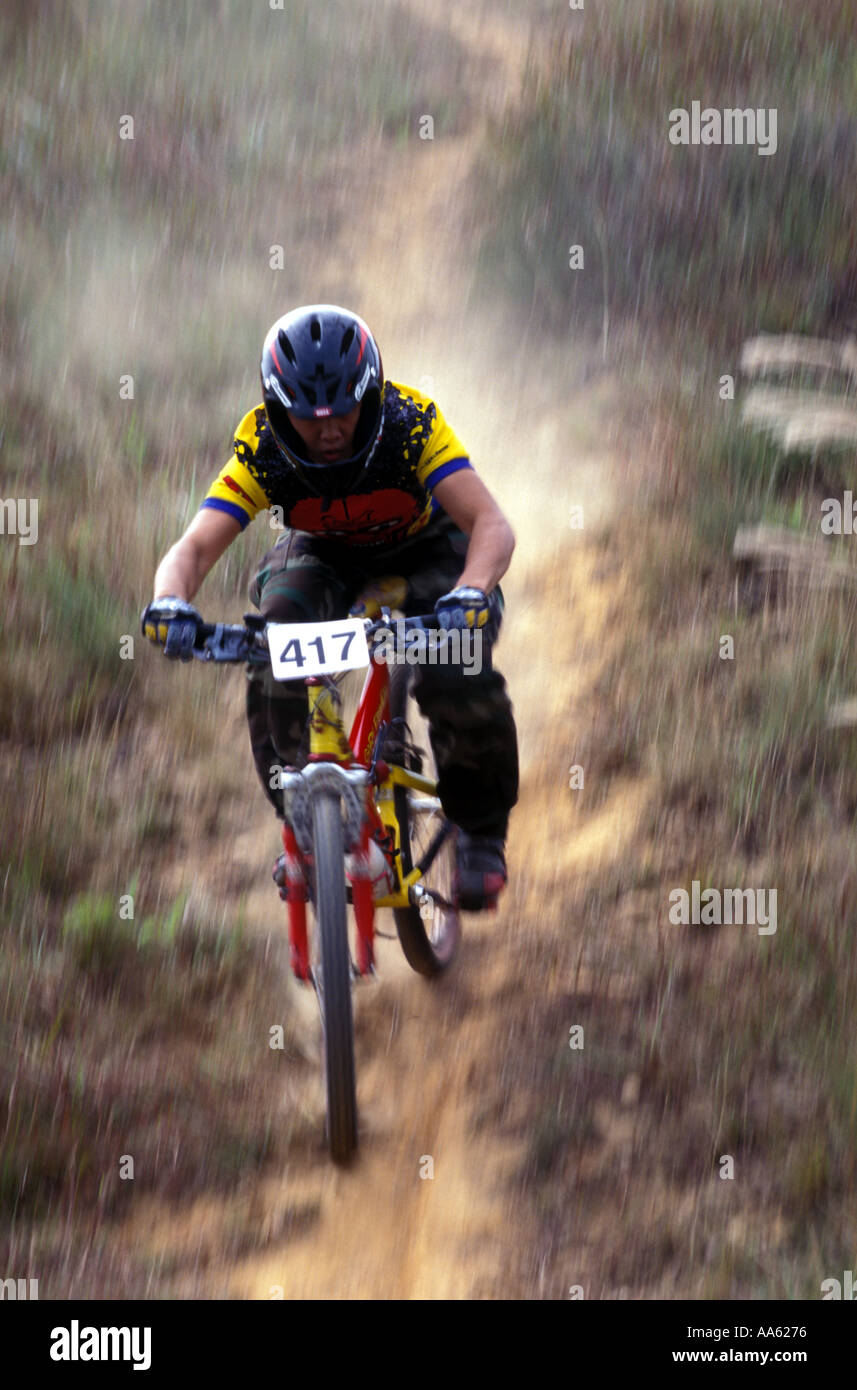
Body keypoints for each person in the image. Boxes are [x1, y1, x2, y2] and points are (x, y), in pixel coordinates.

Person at [142, 304, 518, 910]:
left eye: (344, 409)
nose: (329, 430)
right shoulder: (262, 447)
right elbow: (194, 546)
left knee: (458, 665)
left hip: (429, 546)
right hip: (326, 552)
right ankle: (306, 811)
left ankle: (479, 828)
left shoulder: (410, 422)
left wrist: (470, 591)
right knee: (275, 645)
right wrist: (170, 603)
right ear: (276, 410)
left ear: (369, 394)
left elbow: (490, 523)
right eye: (308, 417)